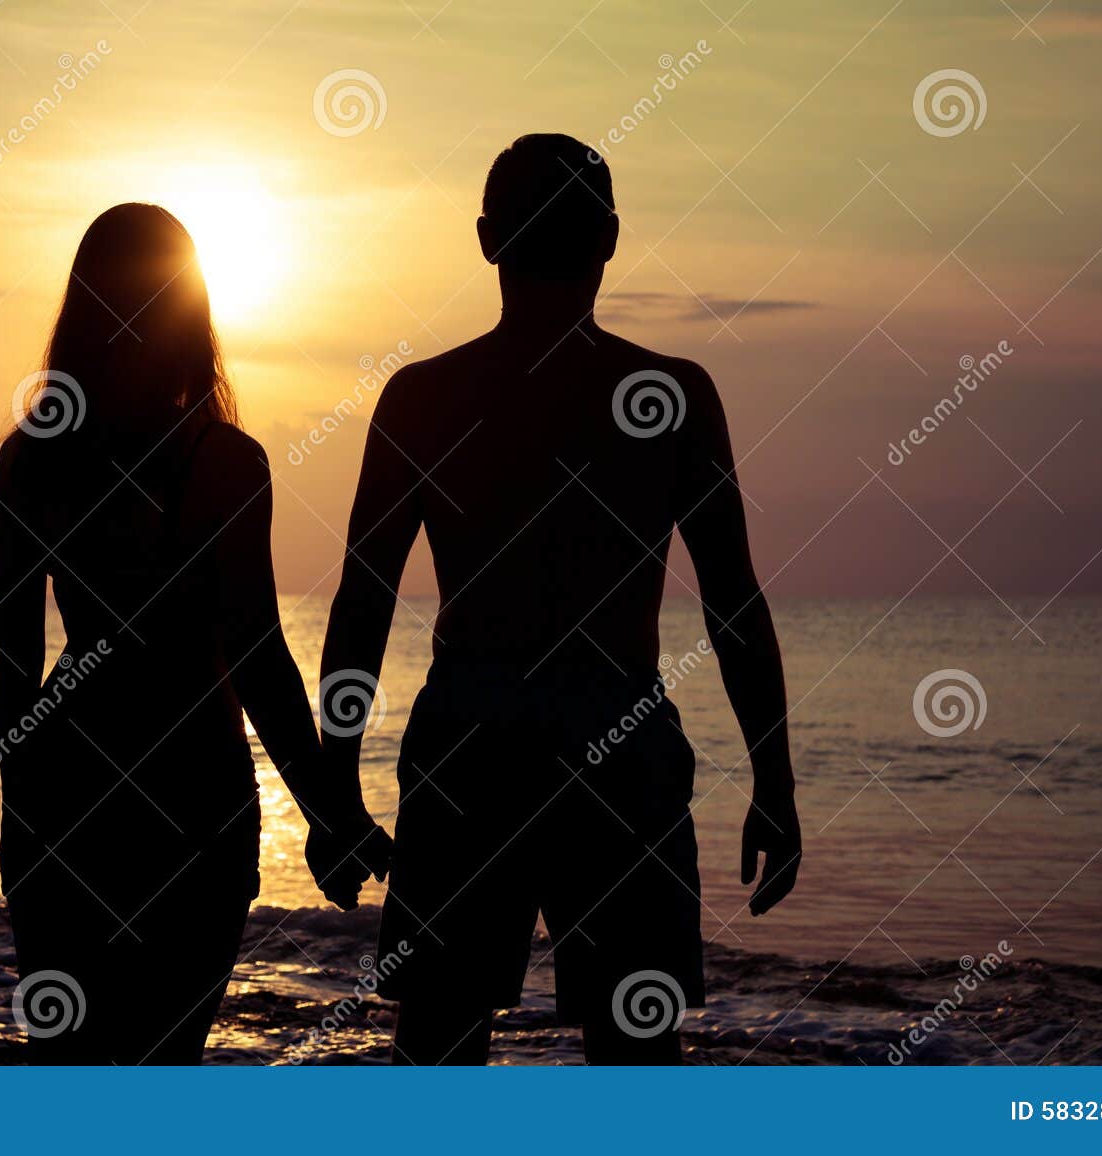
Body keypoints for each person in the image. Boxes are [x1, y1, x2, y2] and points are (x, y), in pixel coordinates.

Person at [318, 134, 801, 1065]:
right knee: (636, 1046)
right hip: (615, 728)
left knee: (440, 1039)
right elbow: (733, 604)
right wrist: (773, 781)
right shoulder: (668, 395)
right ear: (611, 240)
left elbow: (363, 602)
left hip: (471, 733)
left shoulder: (424, 397)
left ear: (487, 239)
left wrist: (336, 783)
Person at [0, 203, 387, 1064]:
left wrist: (23, 807)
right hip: (190, 795)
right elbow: (257, 655)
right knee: (164, 1066)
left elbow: (11, 657)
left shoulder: (30, 461)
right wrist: (329, 814)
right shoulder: (225, 464)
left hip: (65, 793)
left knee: (73, 1068)